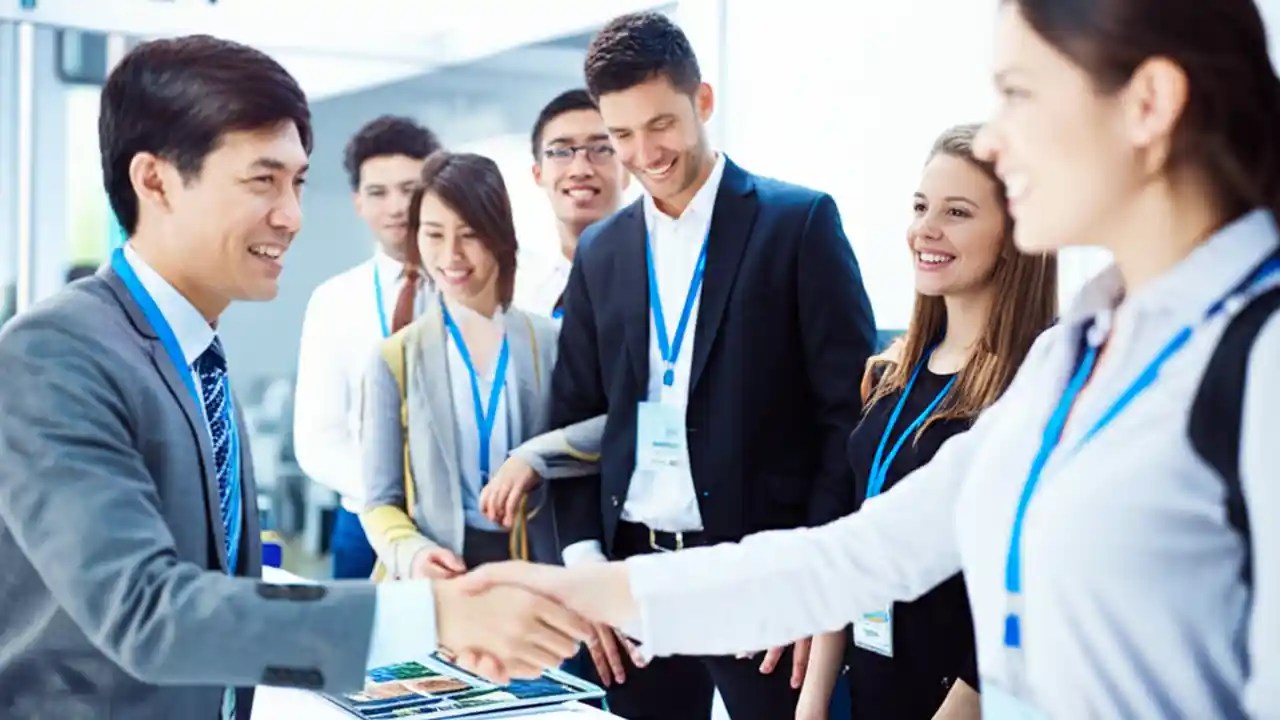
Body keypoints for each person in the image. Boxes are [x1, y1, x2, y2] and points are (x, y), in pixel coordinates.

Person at [464, 0, 1280, 717]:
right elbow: (857, 557)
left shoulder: (1259, 359)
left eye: (1019, 94)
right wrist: (577, 591)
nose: (994, 139)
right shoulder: (1078, 351)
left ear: (1150, 103)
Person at [0, 36, 587, 720]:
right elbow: (148, 613)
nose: (292, 216)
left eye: (297, 182)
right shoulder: (56, 354)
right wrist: (434, 615)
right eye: (262, 180)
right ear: (155, 180)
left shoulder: (196, 358)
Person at [543, 12, 878, 720]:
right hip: (632, 574)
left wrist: (813, 578)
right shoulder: (602, 251)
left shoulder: (798, 223)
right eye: (622, 134)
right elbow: (572, 421)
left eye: (659, 124)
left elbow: (844, 420)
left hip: (762, 576)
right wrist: (585, 567)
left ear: (702, 102)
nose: (643, 152)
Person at [797, 123, 1057, 720]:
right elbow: (851, 545)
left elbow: (1021, 597)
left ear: (1016, 232)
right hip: (872, 686)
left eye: (957, 212)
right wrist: (811, 707)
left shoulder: (1037, 386)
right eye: (921, 207)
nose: (925, 230)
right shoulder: (892, 375)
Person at [359, 151, 564, 578]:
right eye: (433, 235)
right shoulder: (394, 357)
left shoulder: (550, 341)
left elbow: (603, 431)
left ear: (499, 236)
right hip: (441, 575)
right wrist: (412, 554)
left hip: (535, 572)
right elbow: (380, 501)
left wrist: (533, 457)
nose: (450, 254)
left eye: (469, 234)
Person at [293, 115, 441, 580]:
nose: (396, 206)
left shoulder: (478, 289)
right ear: (358, 202)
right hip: (365, 521)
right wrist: (392, 497)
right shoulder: (334, 301)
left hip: (465, 522)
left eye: (410, 188)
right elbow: (317, 438)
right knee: (364, 651)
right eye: (378, 192)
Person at [526, 88, 629, 319]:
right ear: (538, 173)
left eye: (602, 149)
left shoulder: (663, 284)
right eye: (561, 152)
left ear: (627, 170)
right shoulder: (530, 303)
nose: (580, 170)